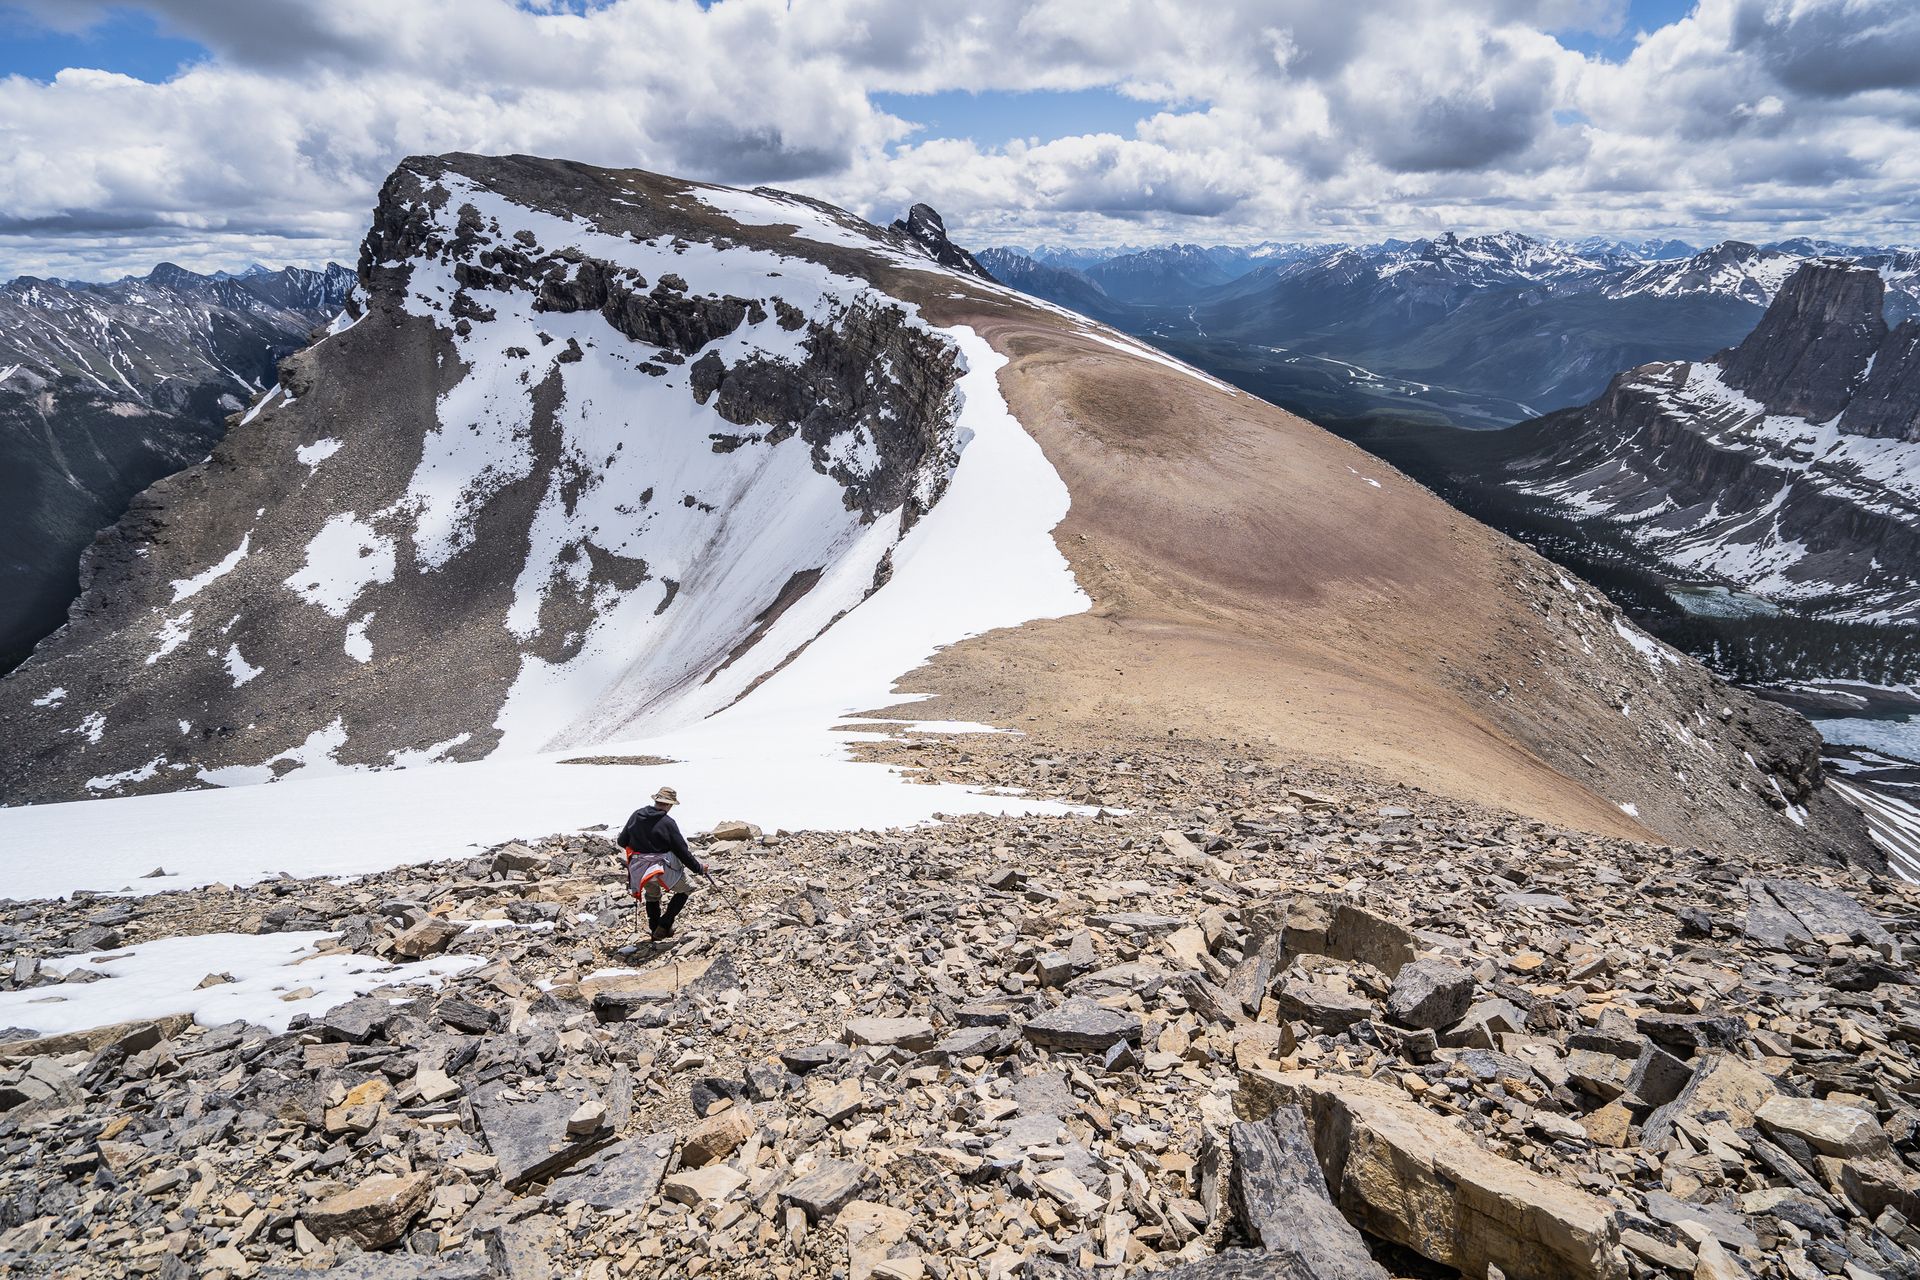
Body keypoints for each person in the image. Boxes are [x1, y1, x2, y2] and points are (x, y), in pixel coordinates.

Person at [617, 786, 707, 941]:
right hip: (661, 867)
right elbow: (681, 851)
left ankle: (655, 930)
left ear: (656, 801)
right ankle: (665, 924)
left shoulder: (636, 815)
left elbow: (622, 841)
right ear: (669, 805)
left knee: (652, 895)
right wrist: (698, 868)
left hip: (639, 868)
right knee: (687, 888)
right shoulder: (667, 822)